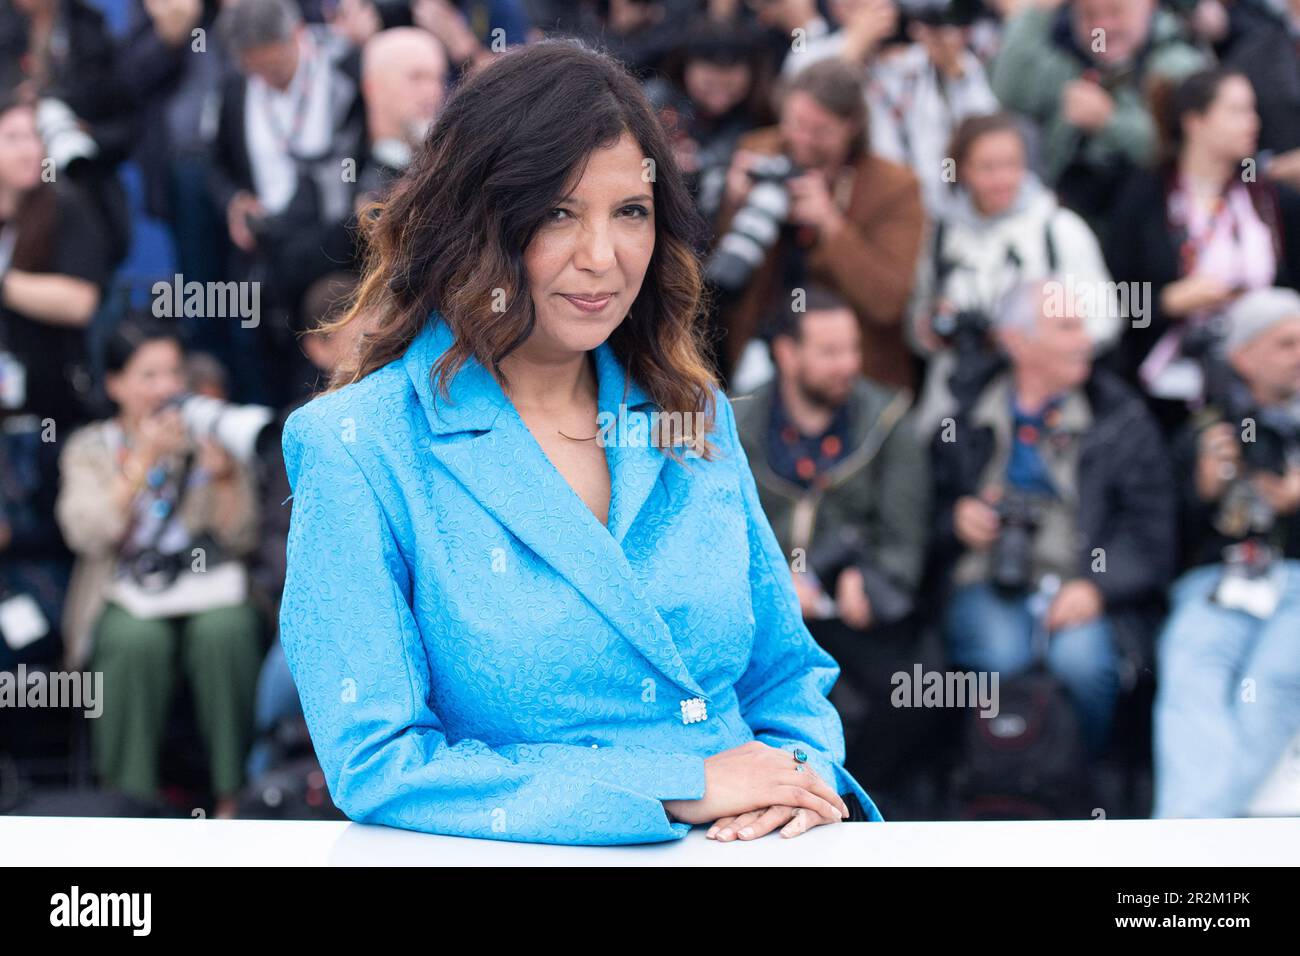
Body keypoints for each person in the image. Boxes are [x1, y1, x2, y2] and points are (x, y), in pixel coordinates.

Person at [277, 39, 880, 846]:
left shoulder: (693, 411)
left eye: (630, 211)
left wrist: (795, 778)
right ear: (477, 221)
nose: (604, 258)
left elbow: (786, 676)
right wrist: (675, 788)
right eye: (559, 213)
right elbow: (380, 763)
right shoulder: (355, 445)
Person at [930, 277, 1176, 758]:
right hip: (985, 579)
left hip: (1081, 583)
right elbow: (916, 523)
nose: (1086, 339)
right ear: (1017, 342)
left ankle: (1073, 781)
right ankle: (1000, 784)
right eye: (1066, 327)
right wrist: (956, 519)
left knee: (1082, 663)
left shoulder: (1120, 418)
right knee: (1002, 656)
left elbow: (1152, 531)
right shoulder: (960, 416)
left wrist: (1098, 587)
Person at [730, 283, 937, 805]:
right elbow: (719, 536)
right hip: (760, 613)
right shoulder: (737, 423)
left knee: (918, 686)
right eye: (830, 351)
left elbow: (904, 543)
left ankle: (873, 803)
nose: (848, 363)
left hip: (853, 613)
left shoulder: (888, 421)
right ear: (786, 353)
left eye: (853, 349)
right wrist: (774, 589)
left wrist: (868, 578)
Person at [54, 318, 262, 817]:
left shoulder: (204, 436)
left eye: (173, 373)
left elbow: (242, 536)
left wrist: (228, 478)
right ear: (115, 385)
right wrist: (143, 460)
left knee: (227, 632)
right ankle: (130, 802)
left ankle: (234, 796)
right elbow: (87, 531)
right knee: (132, 642)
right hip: (122, 591)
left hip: (206, 587)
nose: (166, 388)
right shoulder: (89, 449)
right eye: (148, 376)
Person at [1153, 287, 1300, 818]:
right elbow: (1165, 532)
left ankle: (1193, 833)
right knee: (1192, 668)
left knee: (1275, 680)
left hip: (1297, 580)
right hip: (1221, 580)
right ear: (1242, 356)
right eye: (1285, 344)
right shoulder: (1206, 428)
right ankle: (1197, 836)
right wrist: (1203, 489)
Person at [1104, 68, 1300, 434]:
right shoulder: (1145, 197)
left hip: (1263, 384)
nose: (1252, 123)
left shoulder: (1269, 197)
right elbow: (1109, 299)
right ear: (1195, 122)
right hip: (1169, 387)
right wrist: (1166, 302)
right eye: (1237, 111)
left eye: (1253, 111)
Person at [712, 57, 924, 390]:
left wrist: (830, 226)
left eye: (821, 131)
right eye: (796, 123)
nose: (803, 140)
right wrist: (729, 203)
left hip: (851, 376)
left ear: (852, 126)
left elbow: (888, 302)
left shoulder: (894, 187)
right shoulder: (758, 152)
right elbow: (715, 271)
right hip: (756, 359)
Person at [910, 111, 1119, 434]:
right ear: (962, 169)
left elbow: (1104, 320)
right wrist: (935, 329)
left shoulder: (1059, 229)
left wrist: (1032, 339)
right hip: (956, 404)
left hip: (1042, 405)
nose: (1002, 179)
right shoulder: (941, 235)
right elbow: (917, 326)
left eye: (1012, 164)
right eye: (988, 167)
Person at [990, 0, 1207, 229]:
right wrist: (1039, 11)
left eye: (1116, 11)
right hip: (1074, 222)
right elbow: (1008, 90)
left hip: (1160, 226)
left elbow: (1191, 150)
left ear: (1149, 7)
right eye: (1090, 15)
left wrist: (1110, 122)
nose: (1103, 27)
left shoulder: (1181, 66)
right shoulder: (1067, 64)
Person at [0, 91, 112, 431]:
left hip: (54, 391)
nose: (29, 149)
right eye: (13, 138)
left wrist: (4, 283)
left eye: (35, 136)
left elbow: (80, 302)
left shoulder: (65, 203)